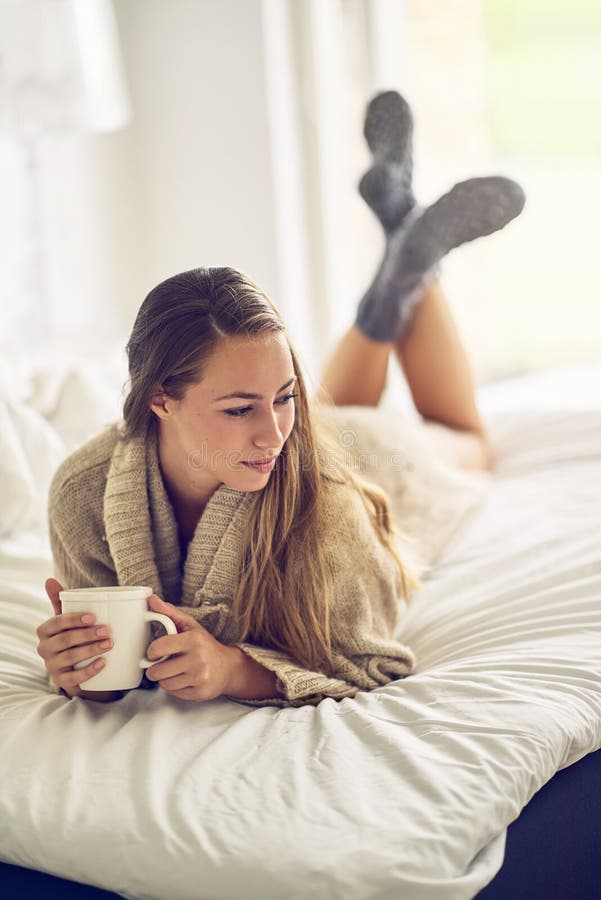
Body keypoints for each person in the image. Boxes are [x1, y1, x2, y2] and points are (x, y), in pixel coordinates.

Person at [36, 90, 524, 709]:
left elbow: (370, 660)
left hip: (373, 462)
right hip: (332, 437)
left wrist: (238, 671)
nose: (275, 431)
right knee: (334, 412)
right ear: (161, 397)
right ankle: (403, 244)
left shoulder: (326, 501)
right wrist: (73, 667)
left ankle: (407, 250)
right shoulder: (83, 493)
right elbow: (107, 669)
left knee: (470, 443)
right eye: (238, 408)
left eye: (287, 394)